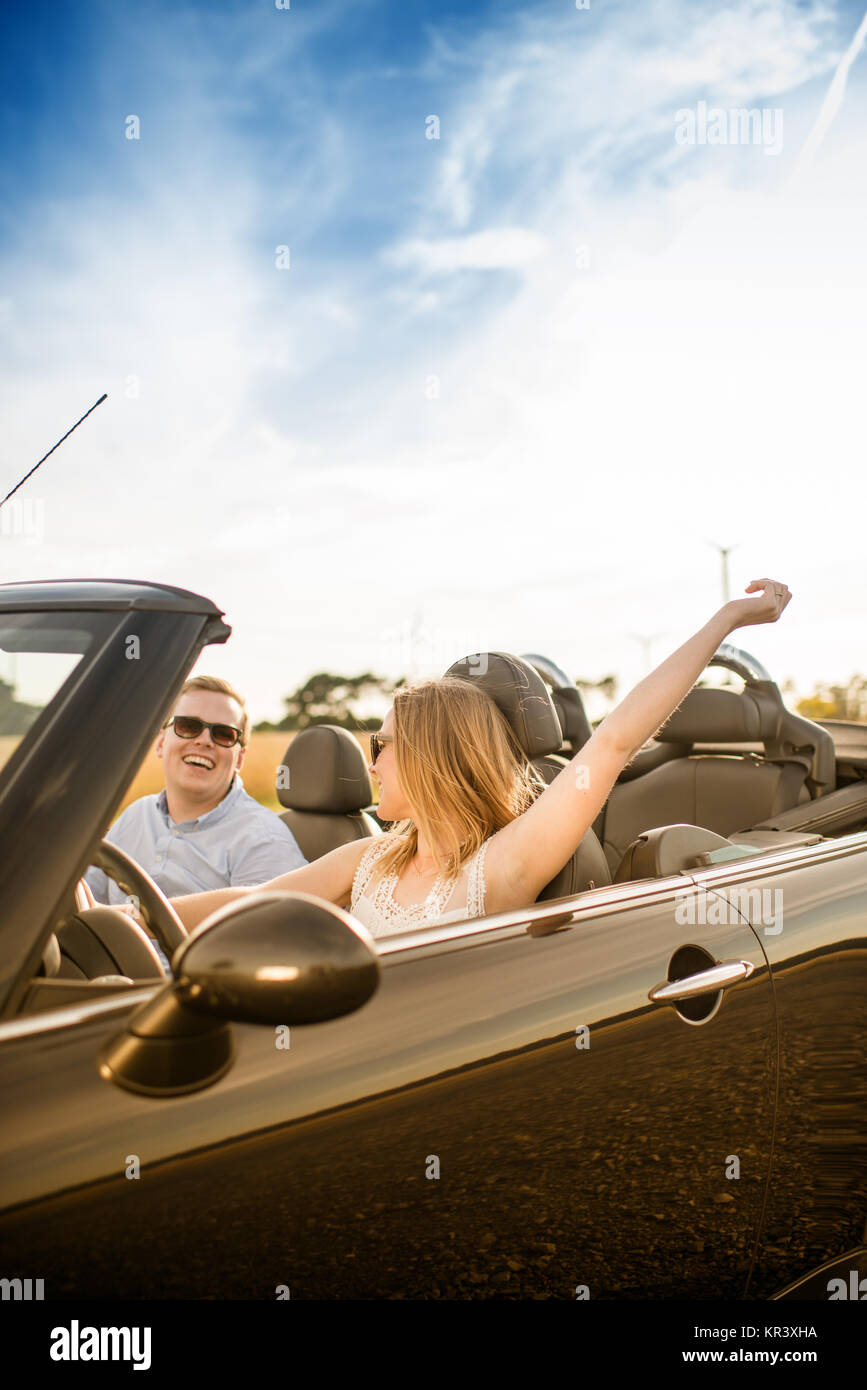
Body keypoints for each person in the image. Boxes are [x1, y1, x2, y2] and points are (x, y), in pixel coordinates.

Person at [167, 579, 791, 939]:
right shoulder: (372, 857)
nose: (372, 763)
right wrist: (120, 918)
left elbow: (616, 741)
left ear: (435, 760)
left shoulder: (504, 867)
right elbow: (250, 903)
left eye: (383, 746)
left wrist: (728, 619)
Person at [86, 675, 307, 908]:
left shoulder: (262, 840)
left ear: (240, 759)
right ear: (160, 743)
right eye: (188, 726)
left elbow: (260, 938)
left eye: (224, 734)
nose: (204, 741)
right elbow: (84, 903)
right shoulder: (134, 816)